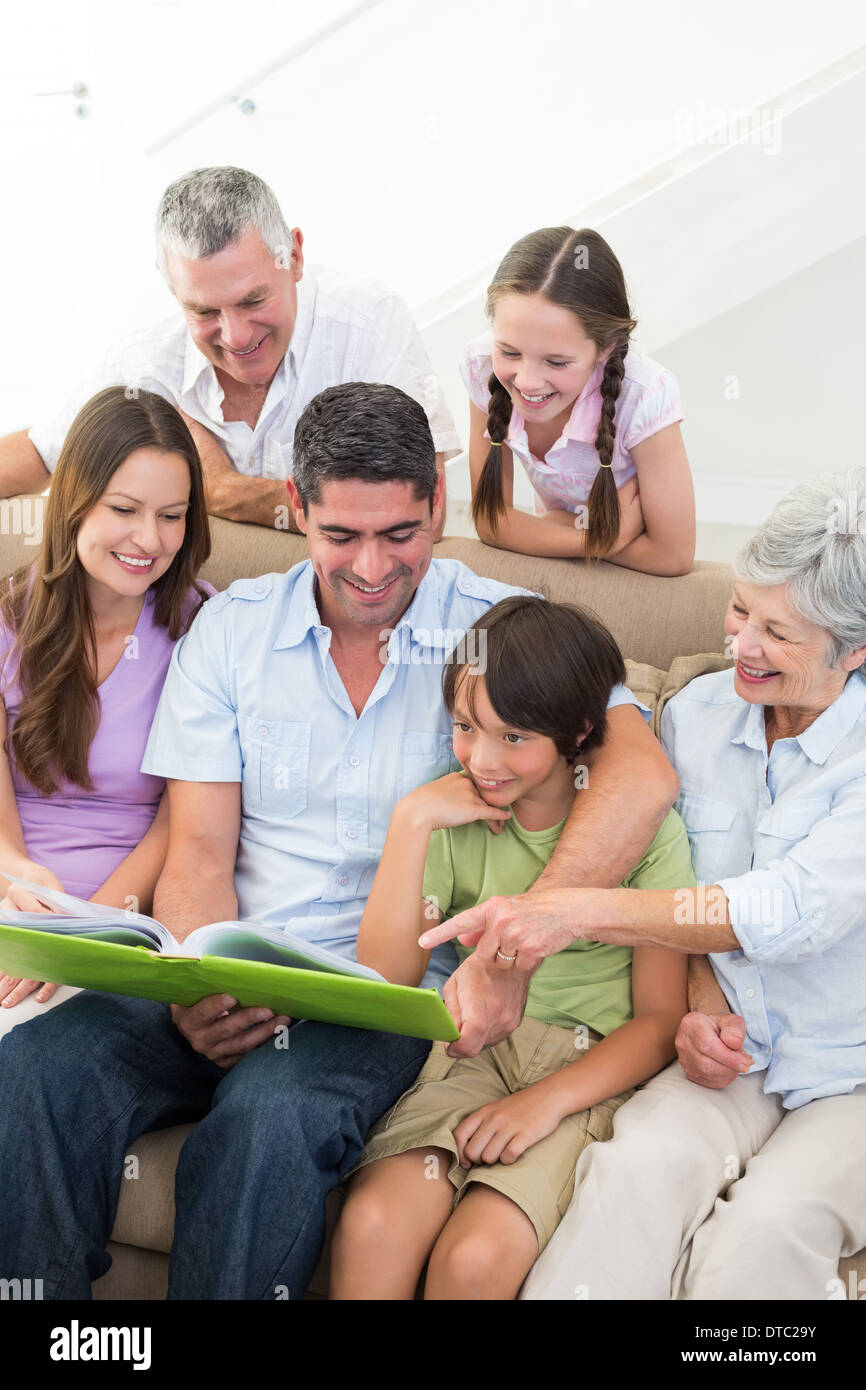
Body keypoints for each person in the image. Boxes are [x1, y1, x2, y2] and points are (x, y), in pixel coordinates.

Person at [0, 380, 679, 1300]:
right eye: (340, 535)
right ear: (295, 510)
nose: (370, 567)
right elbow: (199, 851)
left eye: (399, 535)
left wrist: (515, 940)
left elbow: (640, 775)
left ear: (436, 508)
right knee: (35, 1069)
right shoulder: (232, 634)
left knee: (266, 1119)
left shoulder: (499, 632)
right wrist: (205, 980)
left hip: (379, 996)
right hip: (229, 961)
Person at [421, 468, 866, 1299]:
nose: (743, 645)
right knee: (630, 1175)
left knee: (767, 1230)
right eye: (740, 611)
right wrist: (700, 1005)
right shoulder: (696, 716)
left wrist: (569, 910)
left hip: (853, 1072)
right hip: (732, 1061)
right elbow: (685, 881)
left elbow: (787, 910)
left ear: (856, 650)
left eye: (779, 632)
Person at [330, 596, 694, 1299]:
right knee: (373, 1223)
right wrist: (412, 822)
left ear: (578, 731)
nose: (481, 758)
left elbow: (659, 1024)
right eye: (466, 727)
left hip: (585, 1068)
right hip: (472, 1055)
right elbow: (387, 974)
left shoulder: (648, 836)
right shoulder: (453, 812)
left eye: (514, 737)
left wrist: (546, 1102)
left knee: (474, 1260)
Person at [0, 166, 459, 537]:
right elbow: (39, 457)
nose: (236, 337)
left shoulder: (366, 324)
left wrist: (221, 490)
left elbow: (424, 515)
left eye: (253, 301)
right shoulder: (146, 366)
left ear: (294, 257)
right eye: (203, 311)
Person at [0, 385, 213, 1028]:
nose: (149, 539)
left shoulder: (204, 632)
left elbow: (183, 823)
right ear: (74, 504)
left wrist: (87, 929)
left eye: (172, 515)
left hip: (119, 918)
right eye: (125, 509)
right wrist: (15, 875)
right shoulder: (9, 618)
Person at [465, 226, 695, 574]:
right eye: (509, 351)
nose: (527, 380)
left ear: (606, 348)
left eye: (557, 362)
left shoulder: (645, 394)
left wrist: (552, 524)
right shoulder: (481, 366)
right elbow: (491, 521)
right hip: (601, 544)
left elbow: (671, 557)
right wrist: (598, 540)